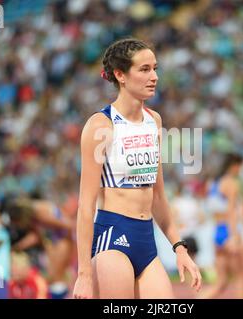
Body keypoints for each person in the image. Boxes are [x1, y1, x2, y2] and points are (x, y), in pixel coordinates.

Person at [72, 38, 201, 299]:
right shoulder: (101, 126)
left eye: (155, 68)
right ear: (120, 75)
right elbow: (86, 206)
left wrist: (179, 247)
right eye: (144, 69)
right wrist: (84, 274)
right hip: (112, 239)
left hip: (146, 240)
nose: (154, 76)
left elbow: (158, 196)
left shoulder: (154, 121)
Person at [199, 153, 243, 299]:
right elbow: (231, 212)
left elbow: (212, 208)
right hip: (229, 231)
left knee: (221, 282)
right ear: (234, 166)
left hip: (218, 232)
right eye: (240, 167)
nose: (240, 170)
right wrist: (234, 236)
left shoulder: (212, 183)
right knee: (240, 277)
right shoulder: (231, 183)